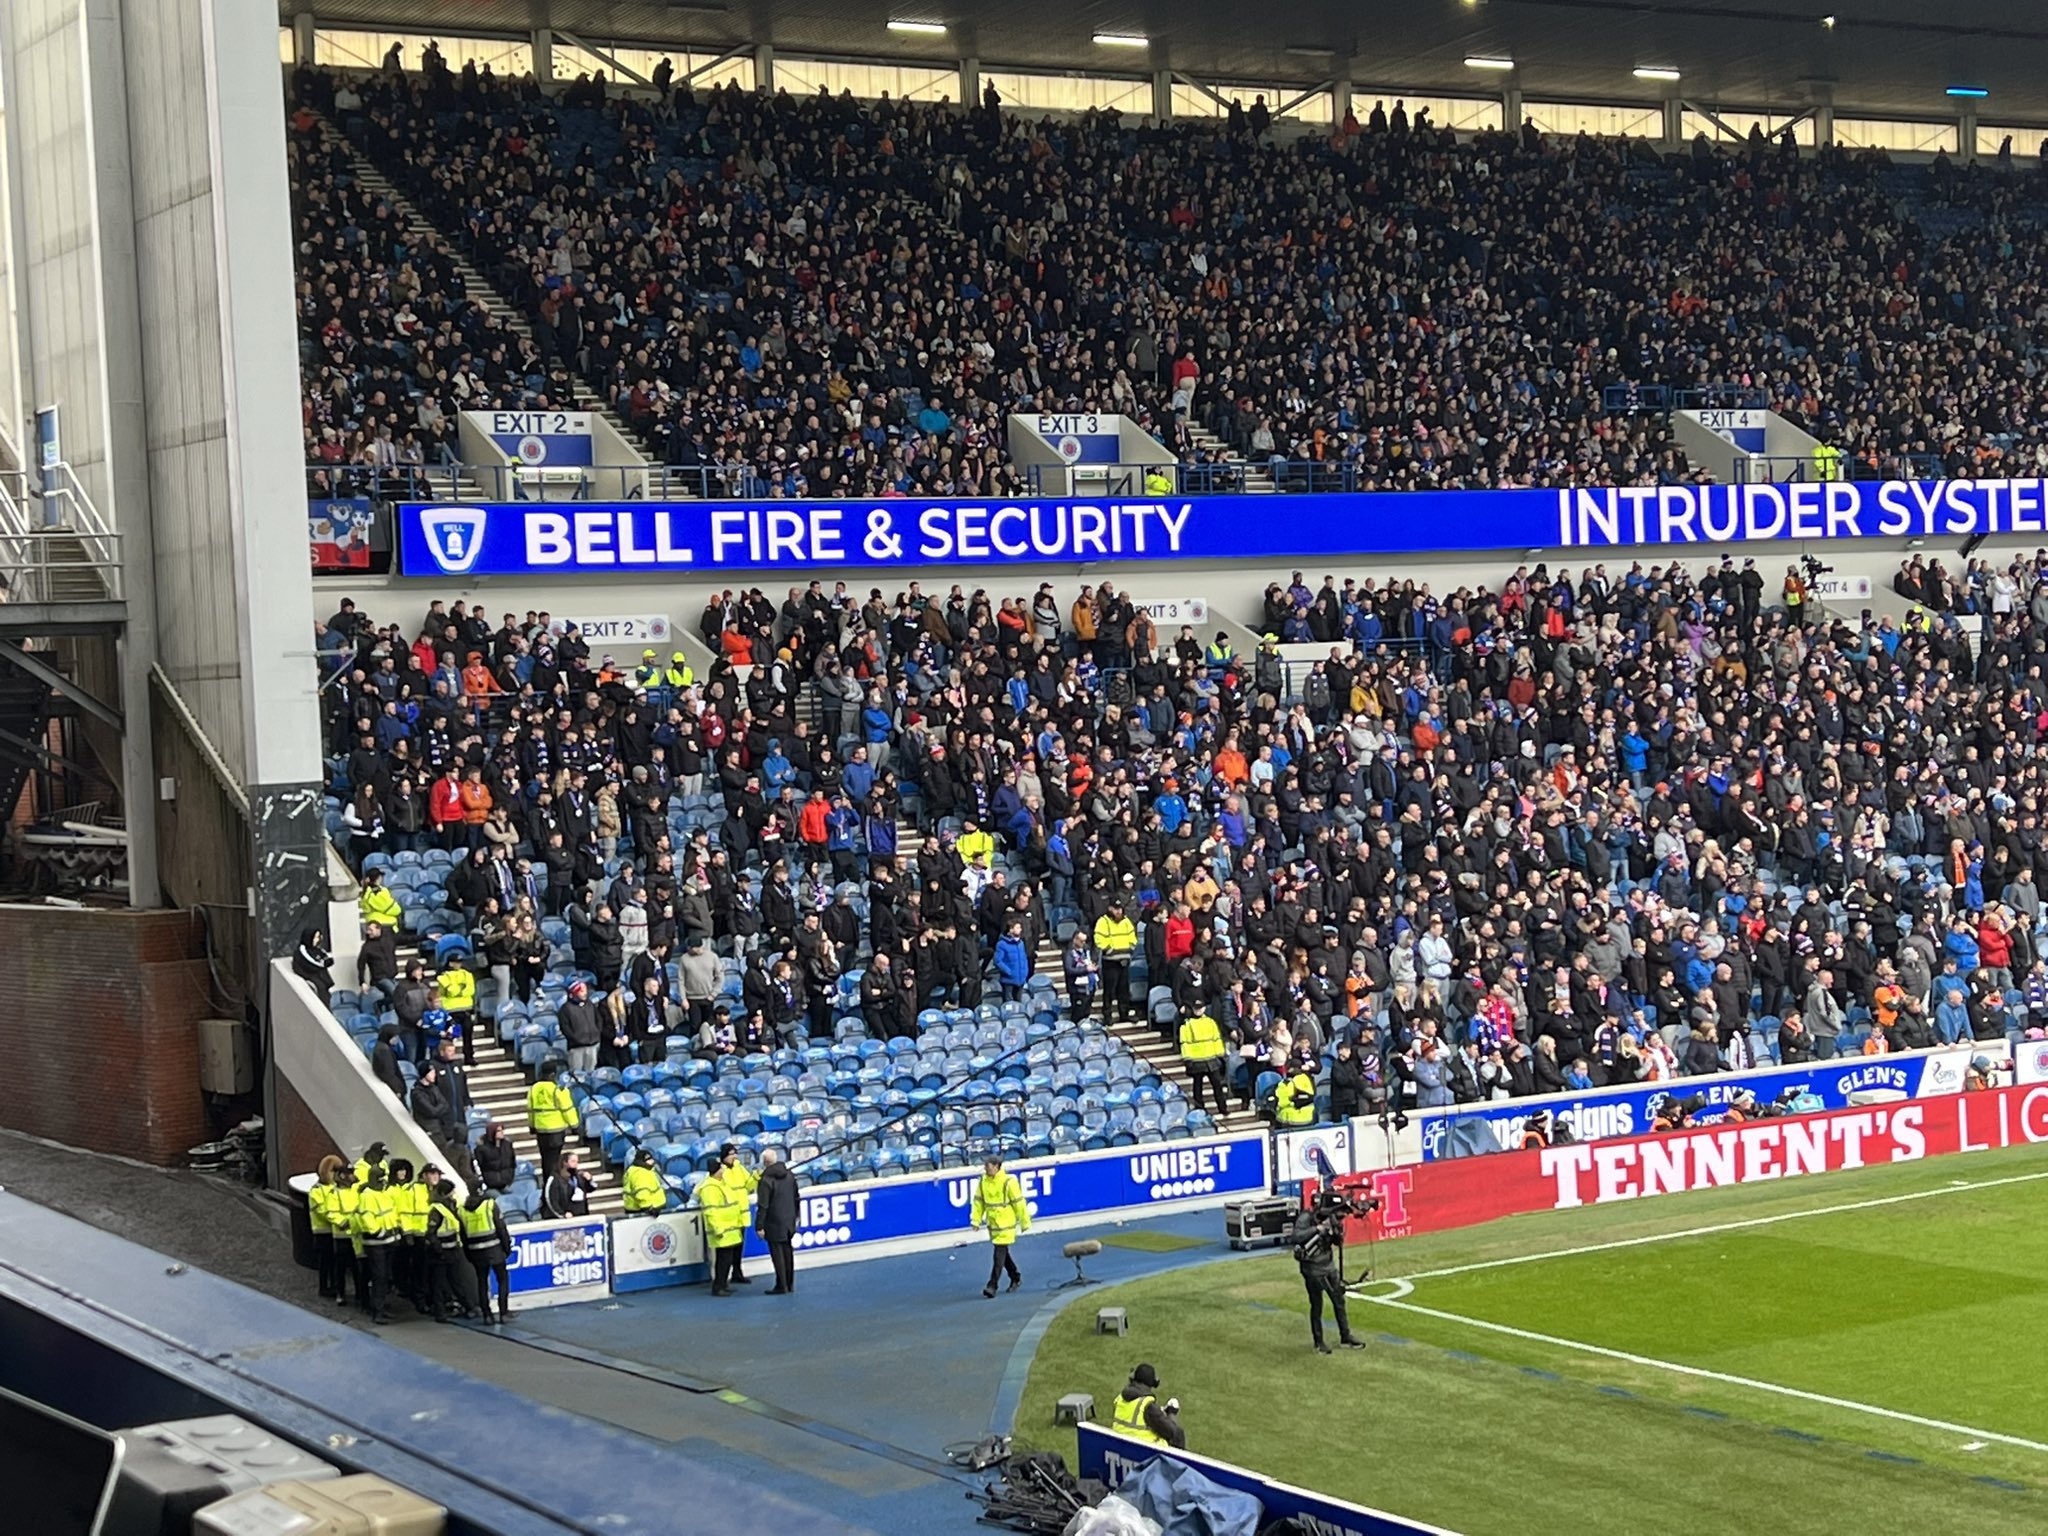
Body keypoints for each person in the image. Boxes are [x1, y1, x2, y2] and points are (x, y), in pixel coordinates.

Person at [1291, 1191, 1366, 1353]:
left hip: (1329, 1265)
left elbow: (1337, 1242)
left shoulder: (1332, 1218)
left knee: (1339, 1301)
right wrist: (1317, 1229)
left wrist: (1336, 1230)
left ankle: (1345, 1335)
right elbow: (1296, 1236)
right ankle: (1319, 1341)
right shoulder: (1307, 1217)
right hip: (1312, 1268)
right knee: (1317, 1305)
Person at [970, 1152, 1030, 1297]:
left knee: (999, 1254)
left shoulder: (1009, 1181)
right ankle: (1015, 1277)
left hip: (1006, 1223)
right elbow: (978, 1202)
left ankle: (992, 1285)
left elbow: (1018, 1202)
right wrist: (975, 1220)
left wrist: (1024, 1221)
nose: (985, 1168)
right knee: (1003, 1254)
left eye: (987, 1165)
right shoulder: (983, 1181)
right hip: (993, 1224)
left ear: (996, 1166)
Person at [699, 1142, 752, 1295]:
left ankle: (729, 1280)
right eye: (731, 1154)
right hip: (724, 1228)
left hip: (735, 1222)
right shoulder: (710, 1186)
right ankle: (719, 1285)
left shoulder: (734, 1171)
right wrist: (718, 1228)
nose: (735, 1157)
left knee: (732, 1255)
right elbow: (711, 1210)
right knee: (723, 1258)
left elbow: (748, 1184)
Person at [461, 1184, 514, 1323]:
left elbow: (463, 1235)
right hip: (494, 1248)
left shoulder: (462, 1209)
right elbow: (501, 1228)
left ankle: (487, 1315)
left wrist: (468, 1254)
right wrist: (506, 1247)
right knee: (502, 1279)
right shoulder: (489, 1205)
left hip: (475, 1251)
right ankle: (503, 1312)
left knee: (482, 1282)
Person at [356, 1163, 400, 1324]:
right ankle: (377, 1311)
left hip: (388, 1241)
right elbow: (367, 1219)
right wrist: (380, 1232)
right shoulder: (367, 1196)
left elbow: (391, 1212)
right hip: (376, 1243)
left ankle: (382, 1307)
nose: (383, 1182)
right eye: (380, 1179)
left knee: (385, 1276)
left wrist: (395, 1230)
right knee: (378, 1276)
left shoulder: (383, 1193)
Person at [1109, 1363, 1186, 1449]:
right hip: (1142, 1451)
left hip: (1118, 1444)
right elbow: (1172, 1431)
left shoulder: (1120, 1398)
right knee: (1178, 1435)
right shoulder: (1148, 1406)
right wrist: (1172, 1413)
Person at [755, 1147, 800, 1295]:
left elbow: (763, 1205)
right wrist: (796, 1216)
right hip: (789, 1220)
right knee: (788, 1252)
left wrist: (759, 1226)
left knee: (777, 1254)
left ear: (764, 1162)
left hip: (774, 1221)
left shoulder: (765, 1180)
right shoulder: (789, 1175)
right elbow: (796, 1197)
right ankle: (790, 1283)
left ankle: (781, 1285)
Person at [423, 1178, 468, 1321]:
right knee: (439, 1283)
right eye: (451, 1192)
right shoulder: (437, 1210)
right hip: (440, 1253)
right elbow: (431, 1233)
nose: (453, 1194)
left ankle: (466, 1306)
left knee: (456, 1281)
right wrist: (439, 1251)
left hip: (453, 1250)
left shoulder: (451, 1206)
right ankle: (440, 1313)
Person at [527, 1058, 574, 1181]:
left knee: (545, 1158)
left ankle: (547, 1180)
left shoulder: (534, 1088)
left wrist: (532, 1125)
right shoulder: (557, 1089)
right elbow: (567, 1108)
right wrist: (574, 1124)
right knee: (554, 1159)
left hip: (540, 1129)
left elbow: (530, 1109)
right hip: (556, 1129)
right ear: (553, 1074)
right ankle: (553, 1183)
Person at [1177, 1006, 1229, 1114]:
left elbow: (1216, 1039)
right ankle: (1199, 1108)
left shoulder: (1210, 1022)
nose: (1198, 1010)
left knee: (1217, 1085)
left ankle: (1222, 1107)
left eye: (1200, 1008)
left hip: (1211, 1059)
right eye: (1196, 1008)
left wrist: (1220, 1054)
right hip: (1197, 1060)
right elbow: (1185, 1043)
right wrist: (1187, 1059)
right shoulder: (1187, 1025)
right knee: (1198, 1086)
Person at [308, 1154, 346, 1302]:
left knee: (333, 1262)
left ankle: (333, 1285)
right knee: (325, 1262)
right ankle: (324, 1287)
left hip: (332, 1231)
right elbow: (323, 1210)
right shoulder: (316, 1190)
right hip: (322, 1232)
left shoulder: (333, 1188)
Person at [1093, 900, 1137, 1023]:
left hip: (1124, 960)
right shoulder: (1103, 921)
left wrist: (1130, 949)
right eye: (1116, 909)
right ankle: (1107, 1014)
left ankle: (1124, 1013)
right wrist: (1110, 950)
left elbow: (1132, 937)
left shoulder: (1126, 921)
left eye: (1120, 909)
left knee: (1124, 990)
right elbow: (1099, 939)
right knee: (1109, 990)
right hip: (1111, 962)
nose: (1118, 911)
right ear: (1110, 908)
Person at [544, 1151, 594, 1218]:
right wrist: (562, 1214)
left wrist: (589, 1180)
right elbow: (551, 1200)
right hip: (565, 1216)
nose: (576, 1164)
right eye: (573, 1161)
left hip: (581, 1213)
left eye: (577, 1161)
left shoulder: (578, 1176)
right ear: (565, 1162)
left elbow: (591, 1188)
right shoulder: (555, 1178)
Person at [621, 1148, 669, 1213]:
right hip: (646, 1211)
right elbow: (641, 1193)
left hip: (650, 1208)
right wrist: (649, 1208)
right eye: (648, 1160)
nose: (652, 1161)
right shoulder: (640, 1173)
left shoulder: (645, 1170)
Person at [473, 1121, 516, 1191]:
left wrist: (510, 1176)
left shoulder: (507, 1145)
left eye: (502, 1130)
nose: (502, 1132)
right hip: (490, 1185)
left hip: (506, 1183)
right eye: (499, 1131)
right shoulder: (482, 1148)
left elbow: (512, 1162)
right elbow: (479, 1166)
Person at [1274, 1062, 1317, 1126]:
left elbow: (1280, 1102)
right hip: (1309, 1119)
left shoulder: (1286, 1083)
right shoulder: (1307, 1079)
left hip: (1291, 1120)